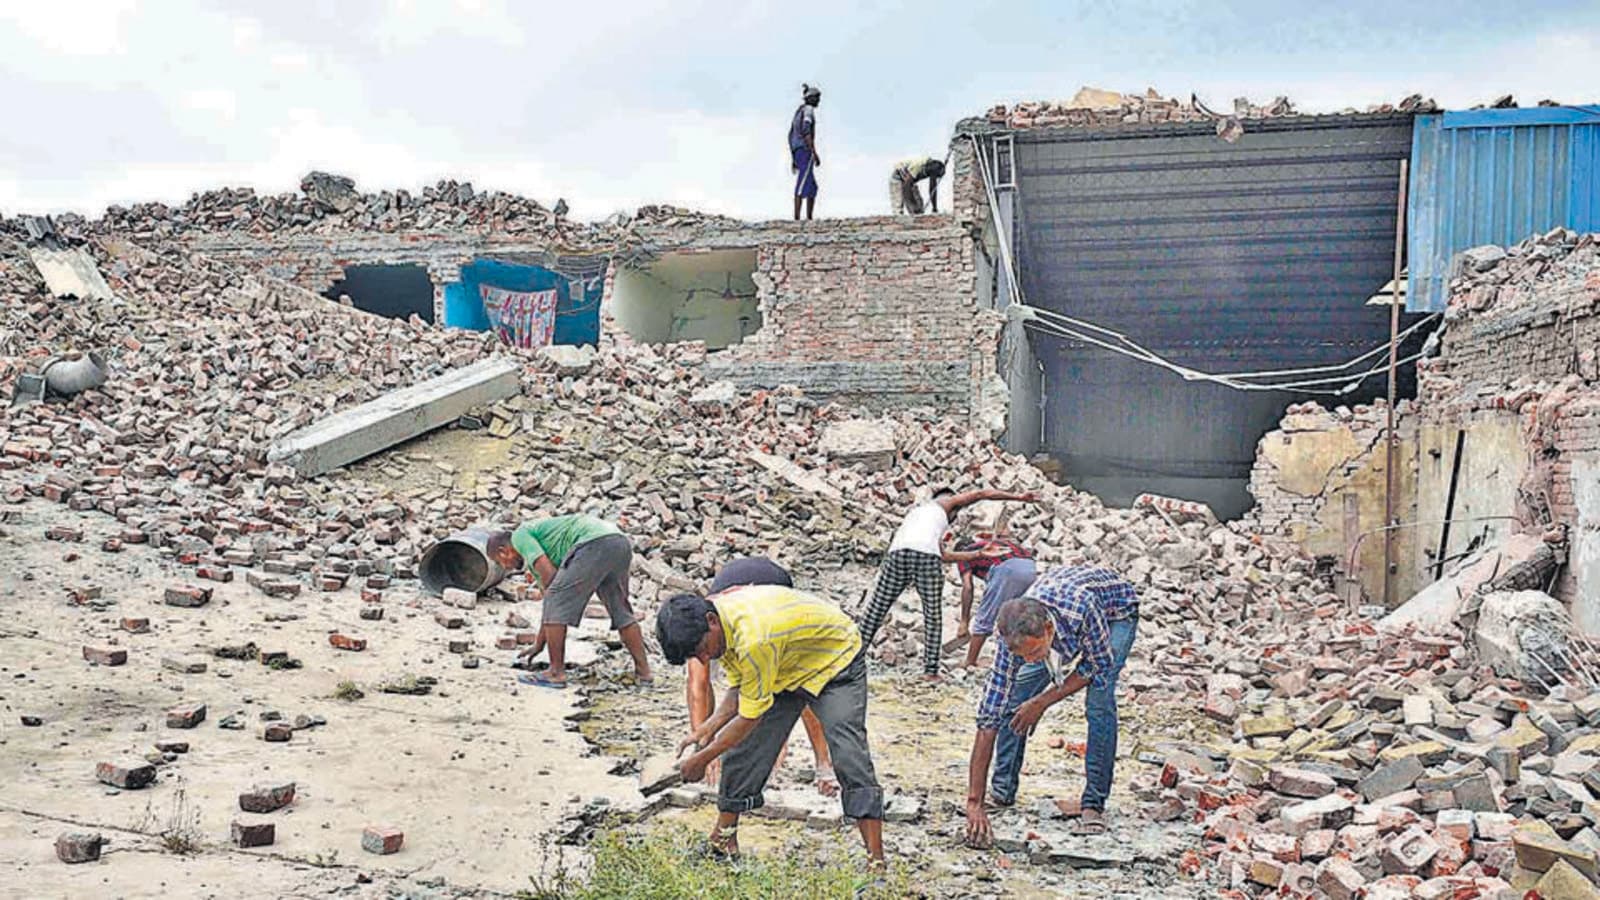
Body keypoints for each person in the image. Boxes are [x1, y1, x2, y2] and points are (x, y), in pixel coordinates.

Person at [656, 586, 884, 866]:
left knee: (849, 755)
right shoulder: (722, 631)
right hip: (785, 665)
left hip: (835, 662)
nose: (704, 659)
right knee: (744, 751)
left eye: (702, 649)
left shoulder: (753, 637)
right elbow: (742, 688)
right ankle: (722, 843)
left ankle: (877, 864)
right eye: (696, 656)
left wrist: (702, 759)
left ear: (710, 621)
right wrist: (707, 728)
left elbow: (749, 717)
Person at [963, 566, 1139, 846]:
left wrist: (1043, 701)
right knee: (1015, 700)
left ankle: (1093, 803)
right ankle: (1002, 790)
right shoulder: (1013, 638)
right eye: (1023, 655)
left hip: (1115, 613)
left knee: (1099, 702)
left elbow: (1096, 665)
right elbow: (989, 718)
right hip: (1062, 624)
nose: (1030, 660)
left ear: (1048, 630)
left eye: (1034, 653)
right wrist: (974, 802)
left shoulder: (1081, 607)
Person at [686, 557, 837, 795]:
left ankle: (823, 764)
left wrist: (776, 741)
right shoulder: (693, 632)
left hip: (771, 584)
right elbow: (698, 687)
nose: (704, 658)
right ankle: (804, 758)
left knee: (796, 678)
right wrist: (702, 748)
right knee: (745, 679)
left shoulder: (731, 628)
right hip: (731, 588)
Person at [857, 487, 1040, 681]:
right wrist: (1019, 497)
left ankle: (852, 657)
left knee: (876, 610)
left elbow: (944, 555)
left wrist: (979, 554)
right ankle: (930, 672)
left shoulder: (917, 517)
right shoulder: (944, 504)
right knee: (932, 615)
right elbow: (980, 494)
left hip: (897, 554)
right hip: (926, 558)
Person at [487, 515, 651, 689]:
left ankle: (556, 673)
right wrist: (538, 644)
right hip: (618, 541)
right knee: (621, 611)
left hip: (592, 543)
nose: (505, 567)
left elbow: (552, 588)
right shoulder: (546, 547)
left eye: (500, 562)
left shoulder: (520, 536)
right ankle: (644, 673)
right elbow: (550, 604)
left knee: (556, 598)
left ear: (503, 550)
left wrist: (543, 638)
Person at [953, 533, 1037, 667]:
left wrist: (964, 621)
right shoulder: (994, 543)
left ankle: (970, 661)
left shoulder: (966, 553)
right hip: (1031, 568)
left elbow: (968, 587)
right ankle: (1024, 657)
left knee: (986, 615)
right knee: (1017, 615)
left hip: (1007, 569)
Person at [789, 84, 822, 221]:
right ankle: (797, 219)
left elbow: (791, 135)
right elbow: (806, 130)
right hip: (804, 149)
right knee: (803, 182)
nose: (818, 101)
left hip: (798, 150)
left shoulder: (799, 111)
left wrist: (793, 156)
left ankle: (809, 218)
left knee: (812, 186)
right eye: (817, 98)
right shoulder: (808, 110)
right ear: (811, 98)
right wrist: (813, 152)